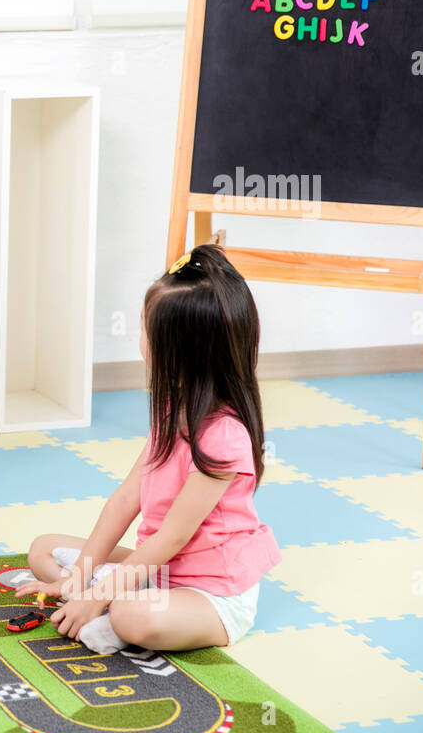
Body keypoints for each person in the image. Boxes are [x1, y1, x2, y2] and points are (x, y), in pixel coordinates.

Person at [18, 244, 280, 654]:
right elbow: (126, 498)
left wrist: (98, 594)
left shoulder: (224, 436)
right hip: (157, 574)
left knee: (131, 615)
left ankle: (113, 616)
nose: (137, 337)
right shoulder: (173, 408)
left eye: (144, 328)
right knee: (43, 551)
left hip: (210, 595)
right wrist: (79, 578)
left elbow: (172, 537)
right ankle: (109, 603)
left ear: (180, 351)